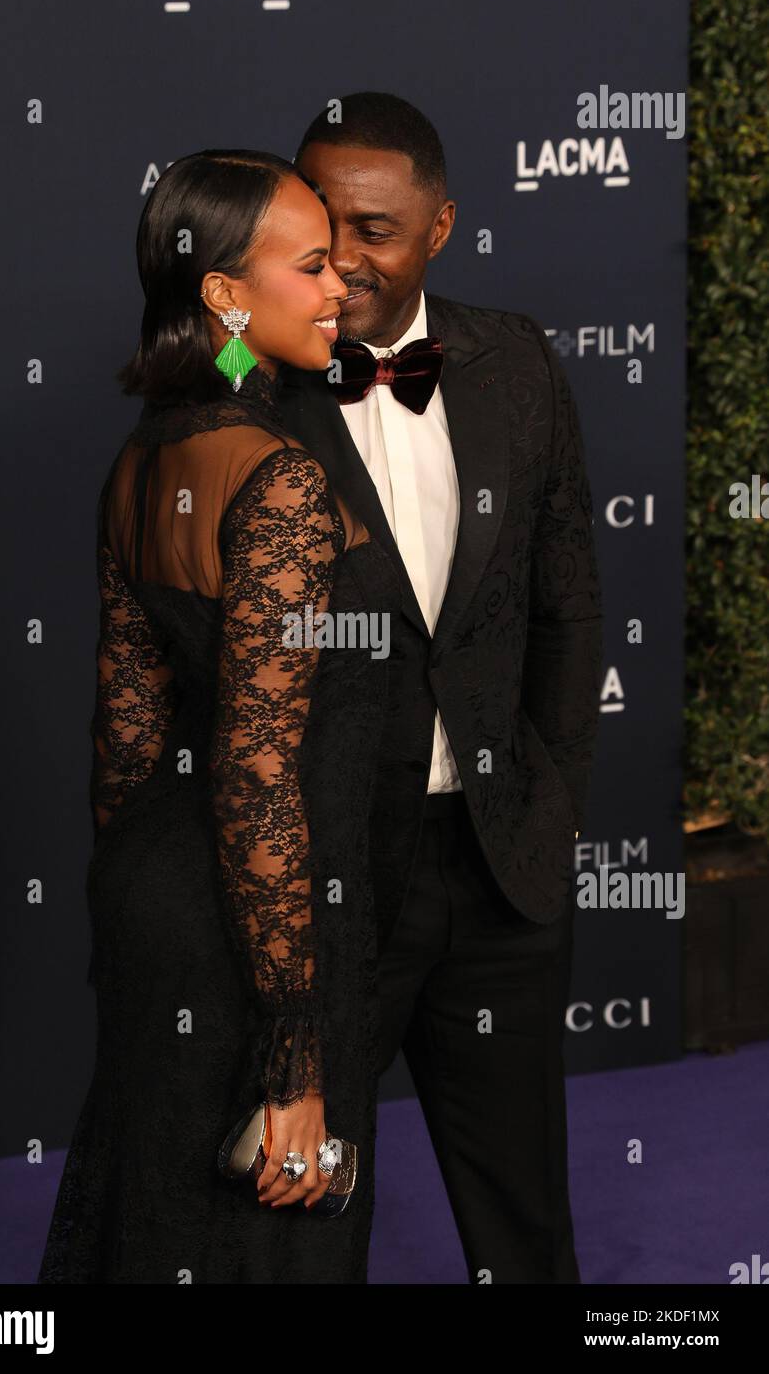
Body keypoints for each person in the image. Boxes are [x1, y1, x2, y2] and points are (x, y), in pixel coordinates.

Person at [37, 151, 400, 1283]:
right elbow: (254, 773)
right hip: (263, 923)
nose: (339, 287)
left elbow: (127, 735)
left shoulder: (144, 461)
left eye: (339, 262)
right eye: (310, 265)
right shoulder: (279, 480)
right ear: (225, 296)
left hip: (158, 897)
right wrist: (292, 1058)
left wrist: (133, 921)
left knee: (153, 1221)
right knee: (267, 1243)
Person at [277, 93, 604, 1283]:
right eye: (317, 223)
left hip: (493, 853)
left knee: (520, 1211)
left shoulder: (514, 361)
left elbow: (567, 602)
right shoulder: (243, 380)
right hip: (322, 871)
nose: (341, 259)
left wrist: (549, 801)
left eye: (372, 229)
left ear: (439, 227)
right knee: (298, 1215)